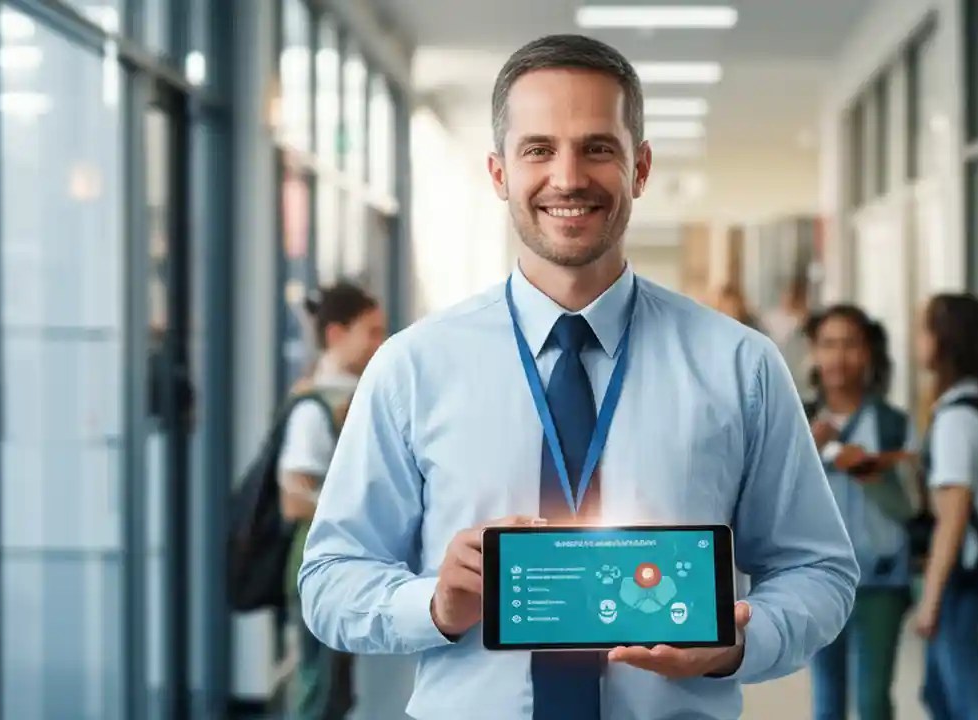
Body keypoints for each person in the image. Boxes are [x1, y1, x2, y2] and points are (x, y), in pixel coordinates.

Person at [296, 34, 858, 720]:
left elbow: (820, 572)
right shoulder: (415, 368)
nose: (568, 178)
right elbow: (329, 582)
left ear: (640, 168)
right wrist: (435, 604)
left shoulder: (738, 365)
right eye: (539, 149)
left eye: (598, 148)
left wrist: (735, 643)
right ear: (500, 173)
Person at [279, 282, 387, 720]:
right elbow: (292, 500)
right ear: (337, 335)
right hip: (317, 569)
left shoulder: (355, 398)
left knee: (337, 696)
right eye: (372, 331)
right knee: (321, 696)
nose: (381, 341)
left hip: (346, 569)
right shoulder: (315, 408)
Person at [805, 306, 918, 720]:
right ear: (814, 354)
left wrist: (872, 470)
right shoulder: (796, 419)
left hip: (881, 578)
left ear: (868, 353)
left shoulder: (892, 424)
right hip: (817, 580)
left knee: (872, 702)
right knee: (827, 701)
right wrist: (808, 451)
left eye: (850, 344)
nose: (838, 357)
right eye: (828, 345)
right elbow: (767, 496)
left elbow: (911, 507)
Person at [912, 293, 978, 720]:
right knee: (941, 695)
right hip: (960, 579)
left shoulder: (956, 421)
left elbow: (953, 517)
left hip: (953, 582)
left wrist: (930, 600)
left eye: (924, 330)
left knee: (966, 700)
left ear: (944, 342)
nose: (917, 340)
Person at [760, 277, 812, 398]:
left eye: (793, 295)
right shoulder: (769, 318)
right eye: (786, 295)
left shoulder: (802, 320)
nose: (788, 298)